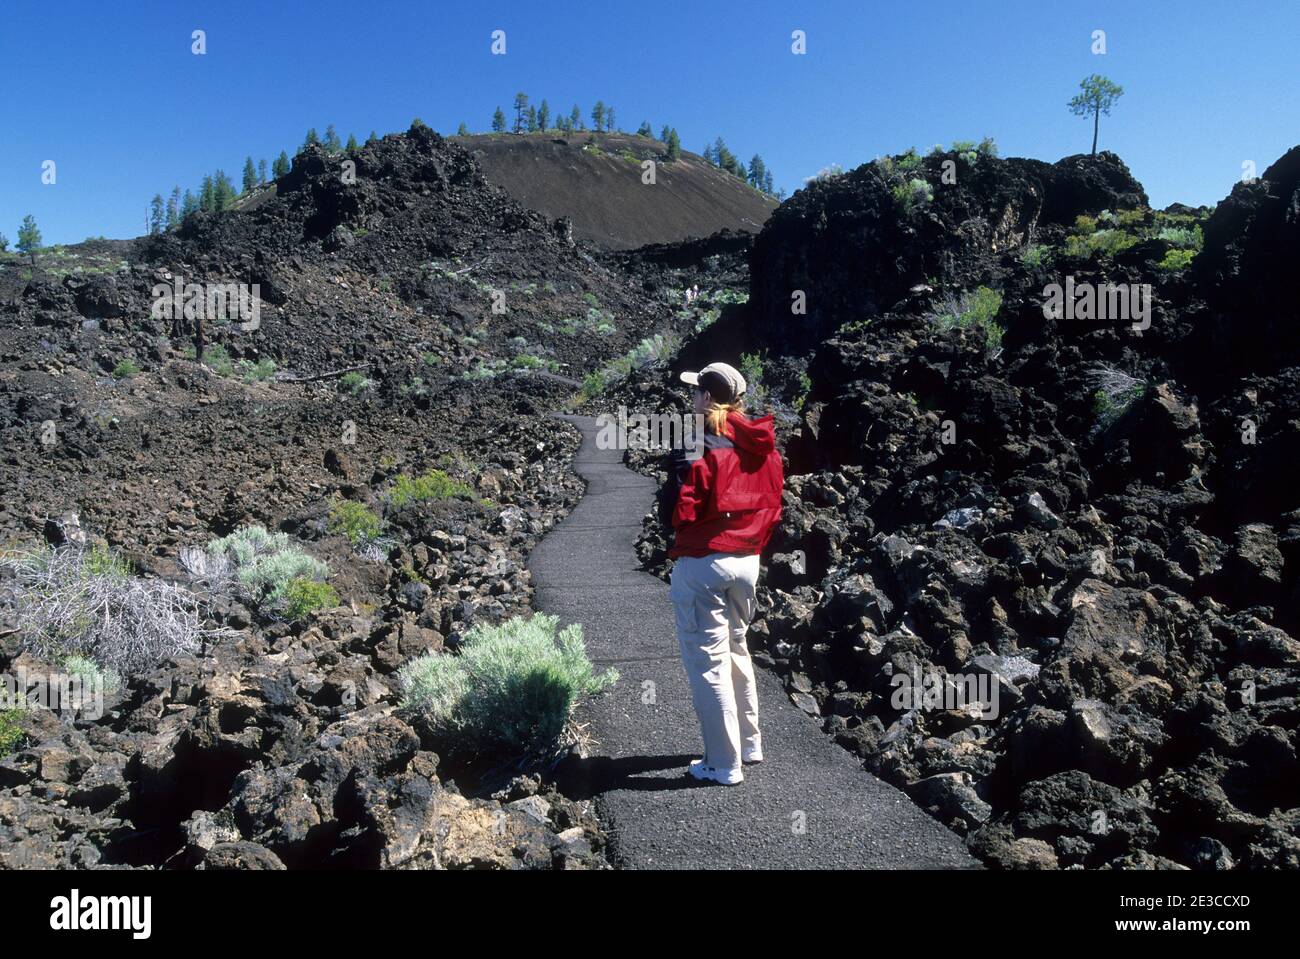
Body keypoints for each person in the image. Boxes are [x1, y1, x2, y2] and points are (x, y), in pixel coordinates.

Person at [658, 361, 784, 785]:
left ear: (708, 398)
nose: (691, 398)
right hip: (748, 561)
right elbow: (771, 503)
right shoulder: (762, 446)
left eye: (696, 392)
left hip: (705, 563)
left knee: (709, 664)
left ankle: (722, 764)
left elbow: (676, 512)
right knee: (736, 648)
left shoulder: (696, 443)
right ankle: (750, 745)